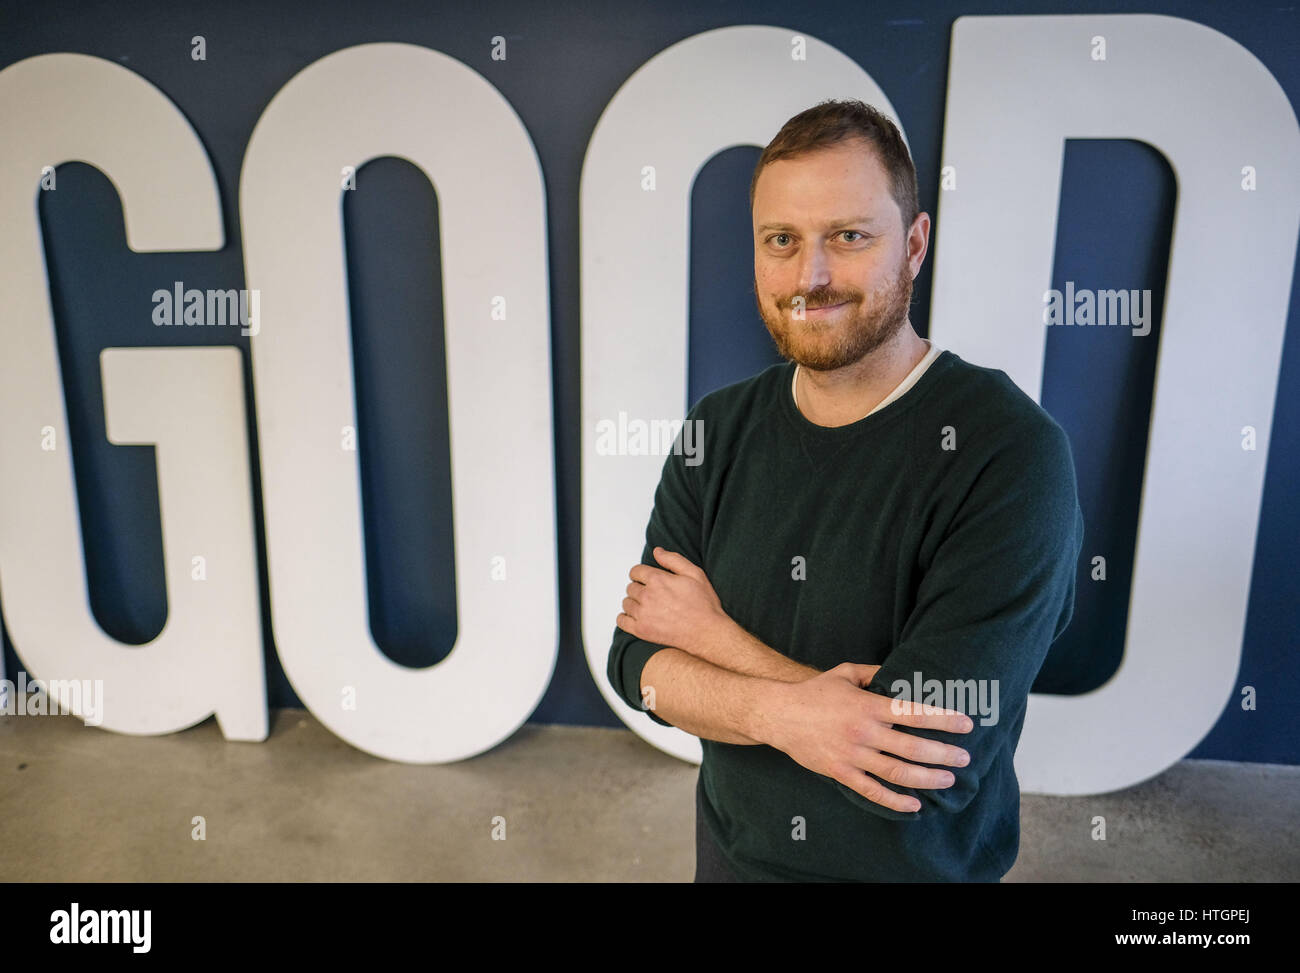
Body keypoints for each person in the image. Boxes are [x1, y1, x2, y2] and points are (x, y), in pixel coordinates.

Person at [607, 99, 1084, 882]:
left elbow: (925, 760)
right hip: (728, 862)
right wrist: (793, 713)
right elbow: (637, 665)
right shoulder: (718, 430)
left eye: (849, 236)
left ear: (916, 243)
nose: (811, 276)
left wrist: (717, 642)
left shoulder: (1010, 453)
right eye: (782, 241)